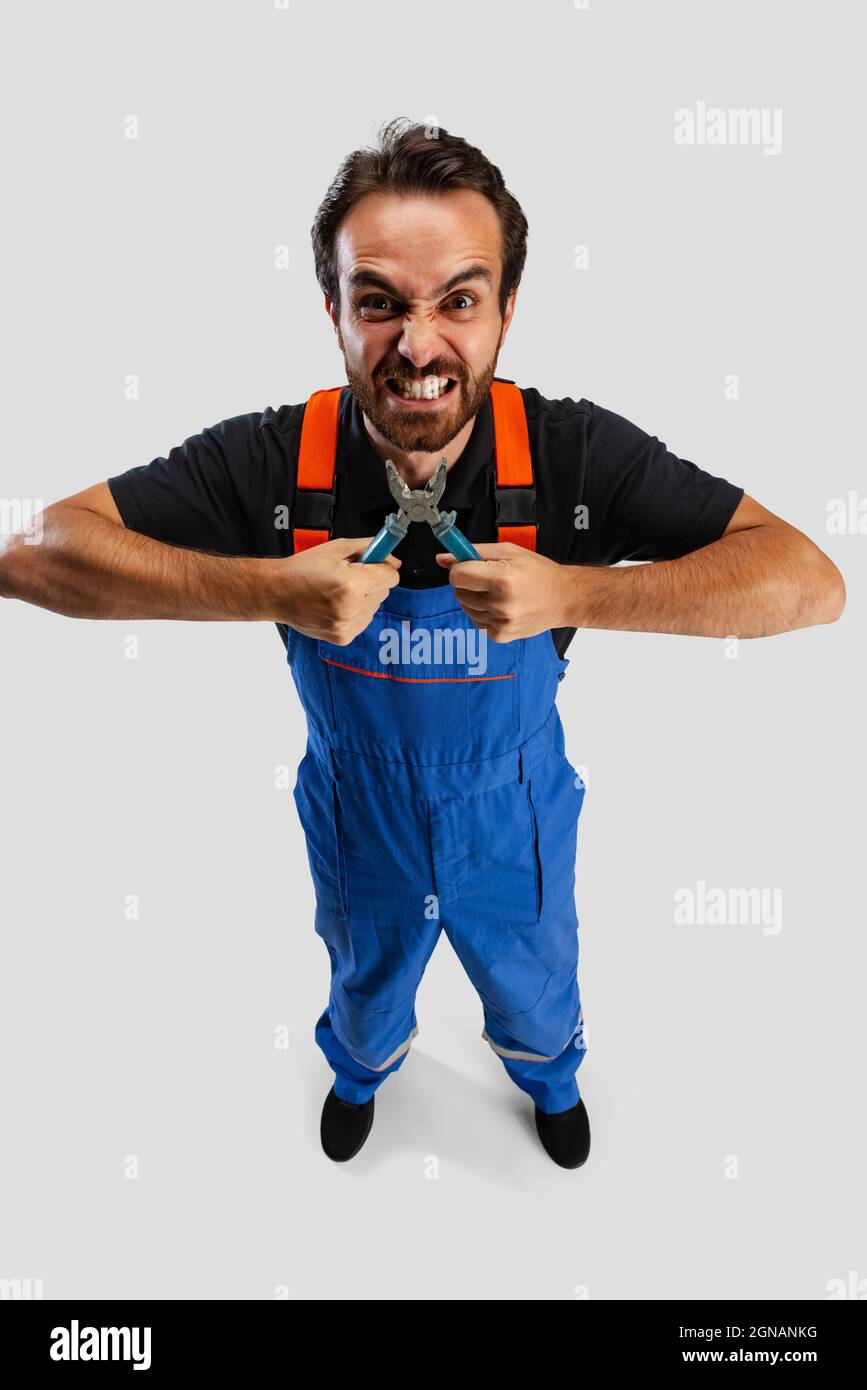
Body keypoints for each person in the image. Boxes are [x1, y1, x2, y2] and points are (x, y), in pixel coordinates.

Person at [0, 119, 845, 1169]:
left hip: (516, 814)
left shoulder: (570, 456)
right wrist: (270, 588)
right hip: (361, 813)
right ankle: (360, 1074)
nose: (417, 342)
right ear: (334, 312)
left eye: (459, 299)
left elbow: (809, 583)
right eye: (380, 301)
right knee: (363, 985)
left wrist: (574, 591)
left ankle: (552, 1080)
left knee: (537, 988)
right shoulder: (277, 461)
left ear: (505, 313)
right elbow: (31, 551)